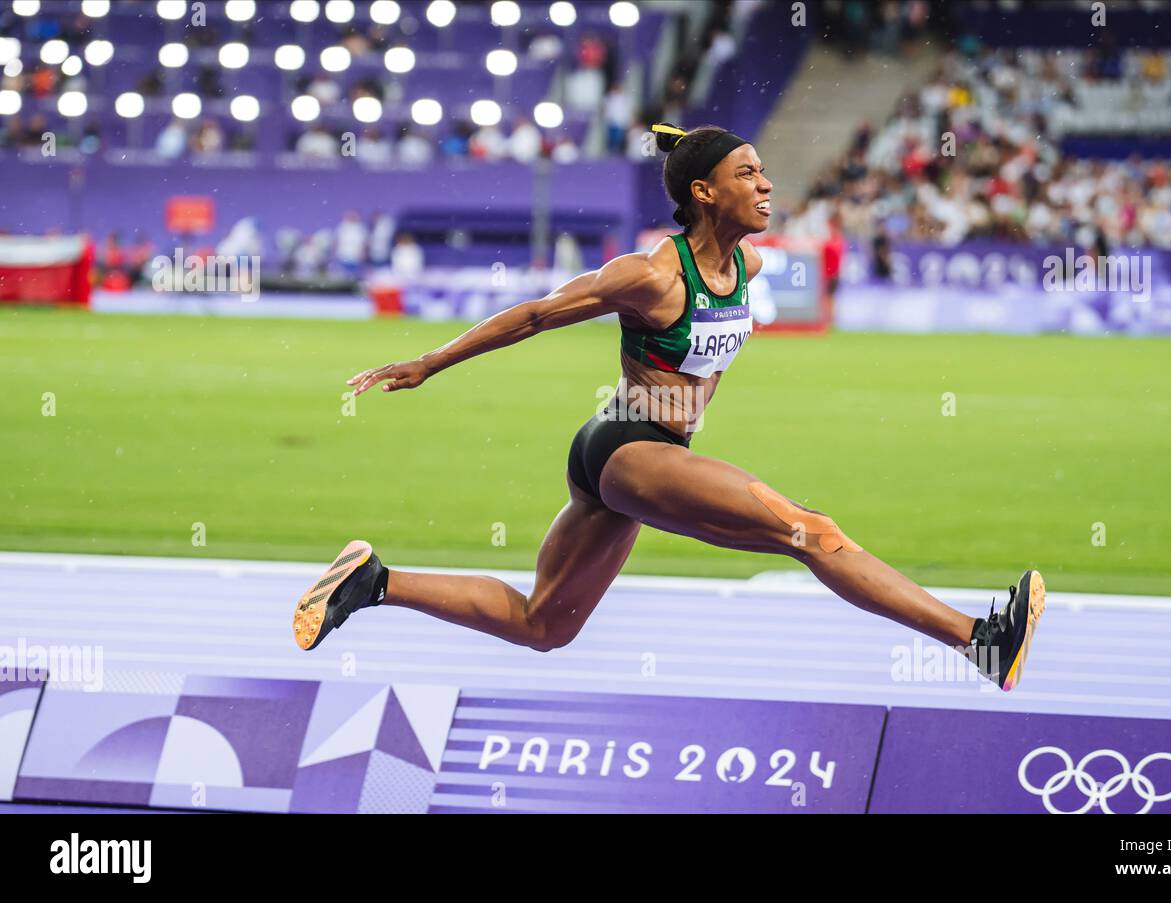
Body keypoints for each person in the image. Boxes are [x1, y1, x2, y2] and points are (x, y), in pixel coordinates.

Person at [290, 123, 1046, 691]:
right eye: (747, 174)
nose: (766, 185)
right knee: (809, 532)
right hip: (628, 448)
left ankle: (373, 580)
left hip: (638, 456)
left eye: (764, 172)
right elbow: (534, 313)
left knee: (544, 624)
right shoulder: (650, 274)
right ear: (704, 193)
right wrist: (430, 361)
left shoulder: (748, 262)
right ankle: (978, 640)